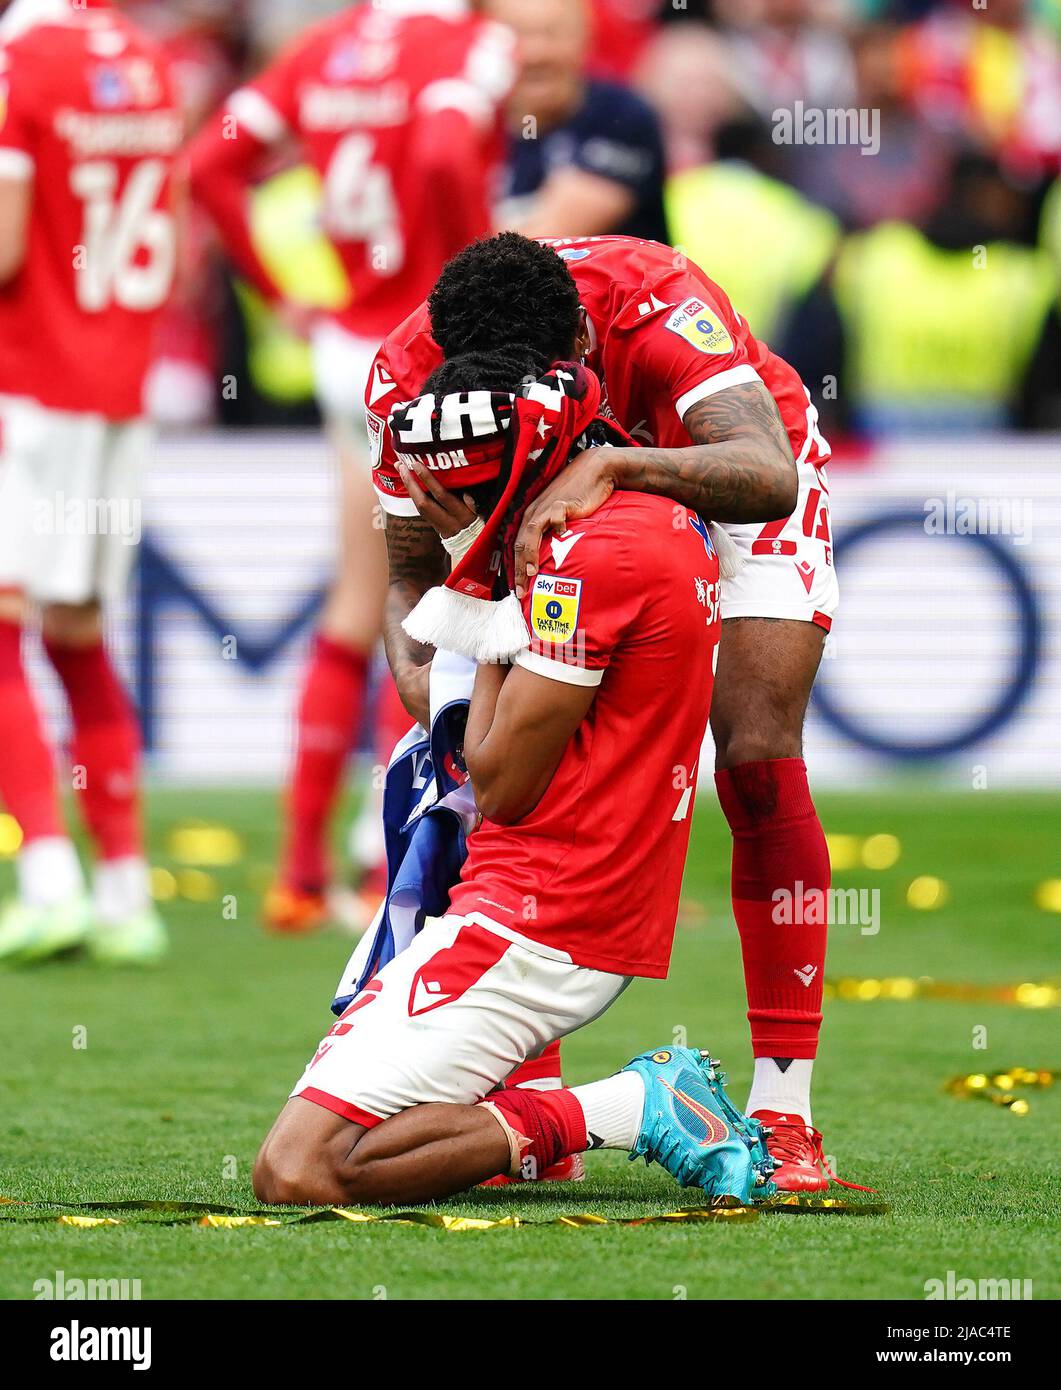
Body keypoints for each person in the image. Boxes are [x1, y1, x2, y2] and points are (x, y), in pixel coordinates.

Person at [369, 231, 842, 1192]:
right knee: (487, 774)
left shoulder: (649, 297)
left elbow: (762, 468)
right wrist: (441, 708)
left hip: (717, 475)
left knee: (754, 755)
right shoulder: (404, 386)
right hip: (533, 522)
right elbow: (409, 579)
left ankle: (784, 1111)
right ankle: (525, 1098)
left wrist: (619, 468)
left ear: (585, 339)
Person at [252, 351, 775, 1208]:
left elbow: (495, 782)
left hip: (538, 917)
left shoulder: (579, 560)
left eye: (468, 489)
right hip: (555, 894)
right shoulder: (642, 520)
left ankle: (627, 1106)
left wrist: (484, 575)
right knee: (332, 1138)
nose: (459, 506)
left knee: (300, 1169)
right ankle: (579, 1116)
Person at [187, 0, 515, 931]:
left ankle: (299, 868)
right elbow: (451, 152)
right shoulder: (470, 44)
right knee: (441, 598)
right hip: (437, 354)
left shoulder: (322, 50)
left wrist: (281, 289)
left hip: (348, 349)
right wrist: (476, 286)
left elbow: (209, 164)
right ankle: (392, 869)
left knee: (360, 591)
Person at [0, 0, 182, 964]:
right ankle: (124, 895)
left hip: (27, 382)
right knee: (76, 635)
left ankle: (46, 880)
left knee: (5, 633)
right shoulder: (148, 62)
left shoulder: (20, 58)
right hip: (120, 385)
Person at [490, 0, 667, 243]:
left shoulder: (620, 116)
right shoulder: (475, 125)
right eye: (517, 35)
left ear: (586, 39)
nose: (536, 53)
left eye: (552, 34)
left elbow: (542, 239)